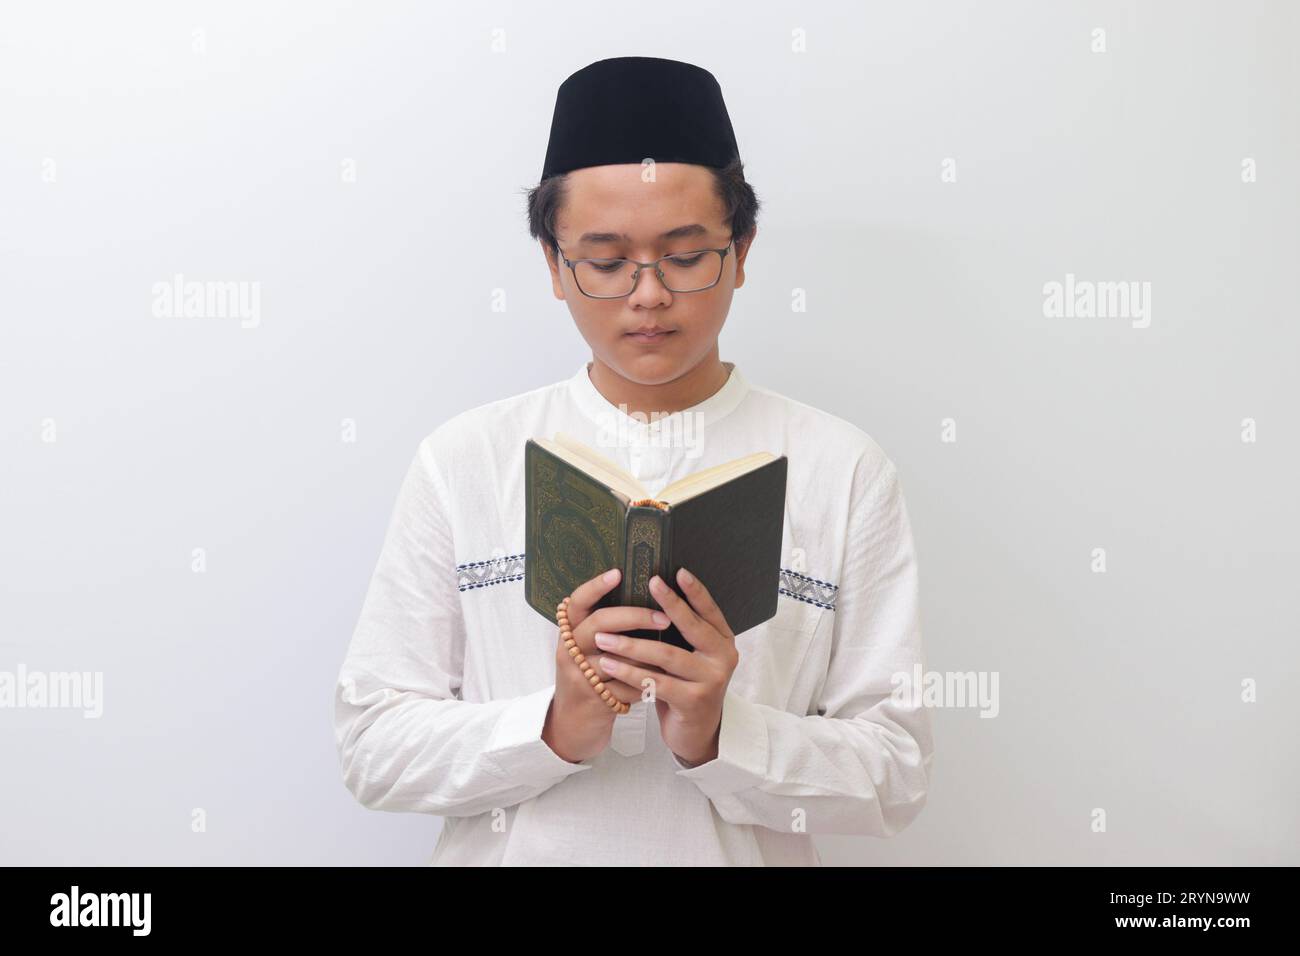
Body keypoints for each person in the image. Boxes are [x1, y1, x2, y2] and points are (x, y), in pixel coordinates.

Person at [333, 55, 933, 866]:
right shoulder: (465, 460)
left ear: (742, 249)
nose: (648, 295)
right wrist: (554, 727)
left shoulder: (843, 470)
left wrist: (724, 734)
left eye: (686, 257)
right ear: (553, 264)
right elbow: (373, 744)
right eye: (608, 261)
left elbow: (895, 775)